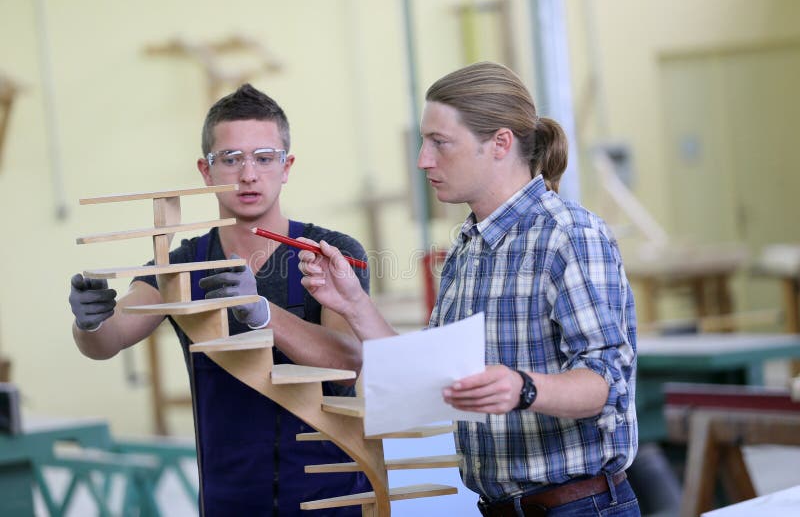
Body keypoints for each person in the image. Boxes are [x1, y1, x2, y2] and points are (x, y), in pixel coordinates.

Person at [298, 62, 639, 516]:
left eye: (440, 142)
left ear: (500, 143)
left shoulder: (569, 235)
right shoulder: (467, 245)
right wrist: (353, 303)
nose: (423, 159)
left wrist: (525, 388)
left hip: (579, 508)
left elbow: (607, 383)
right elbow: (428, 378)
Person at [68, 84, 371, 516]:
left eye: (264, 157)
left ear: (286, 166)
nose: (248, 174)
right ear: (206, 171)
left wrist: (264, 314)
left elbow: (348, 360)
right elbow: (109, 339)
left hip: (333, 500)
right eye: (230, 159)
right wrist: (89, 322)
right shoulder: (183, 264)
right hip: (229, 502)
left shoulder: (330, 253)